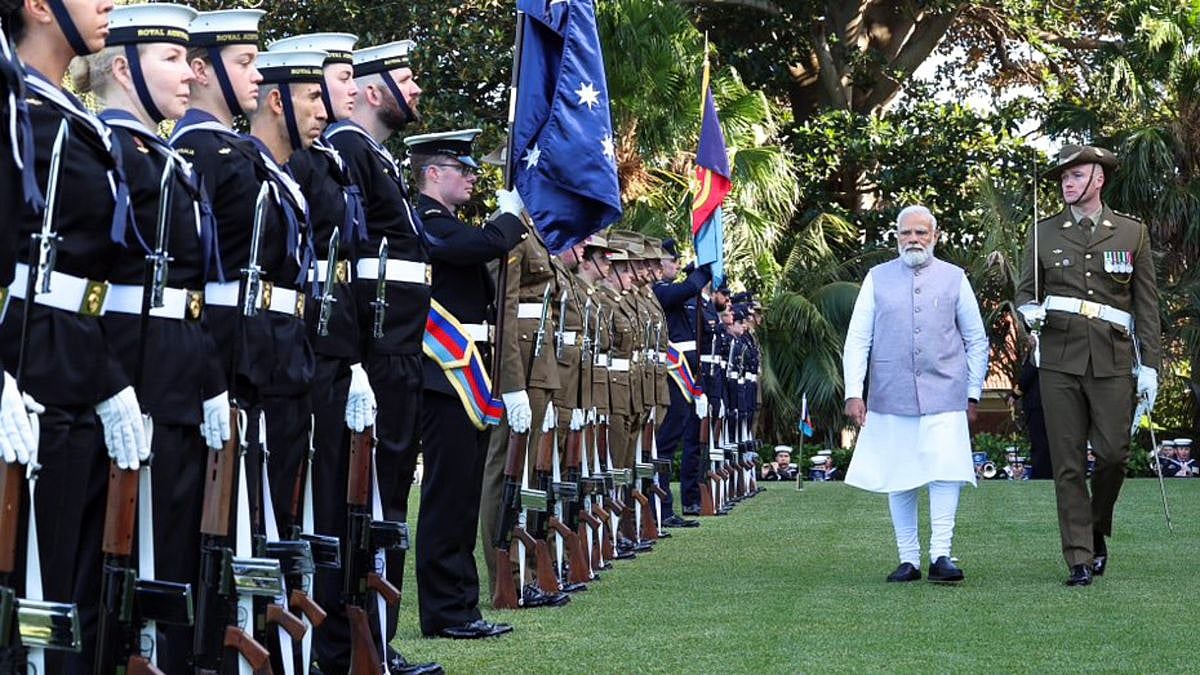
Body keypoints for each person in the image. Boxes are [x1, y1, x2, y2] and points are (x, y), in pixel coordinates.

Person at [71, 5, 232, 670]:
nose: (188, 74)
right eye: (170, 59)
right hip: (130, 380)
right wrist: (111, 384)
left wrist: (211, 383)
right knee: (112, 578)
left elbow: (190, 293)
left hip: (176, 381)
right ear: (121, 68)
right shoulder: (105, 149)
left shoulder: (165, 159)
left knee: (169, 560)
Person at [325, 40, 436, 667]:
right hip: (376, 349)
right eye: (405, 78)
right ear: (373, 91)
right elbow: (346, 263)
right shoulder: (348, 149)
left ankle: (378, 642)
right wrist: (359, 359)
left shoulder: (374, 156)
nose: (415, 88)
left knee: (388, 499)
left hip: (398, 348)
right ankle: (359, 643)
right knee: (368, 501)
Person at [1015, 145, 1161, 586]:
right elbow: (1026, 292)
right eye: (1064, 177)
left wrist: (1150, 366)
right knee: (1068, 462)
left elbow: (1146, 305)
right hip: (1059, 358)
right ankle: (1079, 556)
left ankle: (1095, 527)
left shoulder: (1131, 233)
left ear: (1098, 179)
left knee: (1114, 454)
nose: (1067, 183)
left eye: (1076, 175)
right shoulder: (1044, 232)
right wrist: (1028, 313)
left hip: (1112, 357)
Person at [406, 128, 525, 639]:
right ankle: (444, 611)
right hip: (445, 376)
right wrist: (508, 216)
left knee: (463, 497)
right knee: (446, 497)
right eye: (463, 169)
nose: (473, 177)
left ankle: (462, 605)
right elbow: (481, 245)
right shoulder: (426, 221)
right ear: (433, 174)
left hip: (468, 373)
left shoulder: (451, 224)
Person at [843, 205, 988, 584]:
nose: (913, 239)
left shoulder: (955, 278)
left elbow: (976, 339)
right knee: (899, 474)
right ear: (896, 237)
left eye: (921, 233)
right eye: (906, 233)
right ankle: (908, 558)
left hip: (947, 392)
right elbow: (858, 338)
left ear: (935, 236)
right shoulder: (876, 278)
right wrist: (853, 392)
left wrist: (973, 392)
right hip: (890, 393)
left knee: (945, 472)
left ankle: (941, 554)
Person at [652, 239, 709, 527]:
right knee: (664, 445)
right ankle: (660, 509)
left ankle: (664, 509)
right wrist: (705, 268)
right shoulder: (658, 291)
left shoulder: (671, 292)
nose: (676, 265)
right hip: (671, 376)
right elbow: (688, 288)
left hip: (683, 376)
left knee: (670, 444)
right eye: (672, 261)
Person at [1008, 354, 1051, 479]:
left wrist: (1014, 395)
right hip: (1047, 403)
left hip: (1036, 404)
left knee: (1039, 442)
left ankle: (1041, 473)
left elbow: (1027, 375)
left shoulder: (1037, 352)